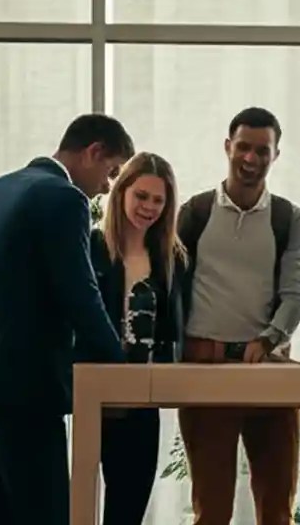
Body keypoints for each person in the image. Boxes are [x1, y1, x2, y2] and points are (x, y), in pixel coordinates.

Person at [0, 114, 134, 524]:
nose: (108, 188)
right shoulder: (63, 198)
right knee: (45, 512)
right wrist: (117, 361)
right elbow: (80, 292)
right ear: (93, 152)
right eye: (111, 173)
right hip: (22, 387)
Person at [175, 107, 300, 525]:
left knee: (277, 512)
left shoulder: (289, 218)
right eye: (243, 147)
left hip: (268, 373)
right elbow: (173, 291)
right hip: (205, 371)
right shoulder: (194, 213)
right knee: (211, 511)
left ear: (276, 155)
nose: (251, 158)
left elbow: (296, 291)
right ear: (227, 147)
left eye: (262, 150)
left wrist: (269, 339)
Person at [90, 152, 186, 525]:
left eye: (158, 200)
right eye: (141, 196)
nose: (148, 207)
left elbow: (173, 328)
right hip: (96, 393)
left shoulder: (171, 259)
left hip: (144, 399)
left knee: (128, 510)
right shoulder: (92, 247)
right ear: (122, 192)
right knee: (79, 499)